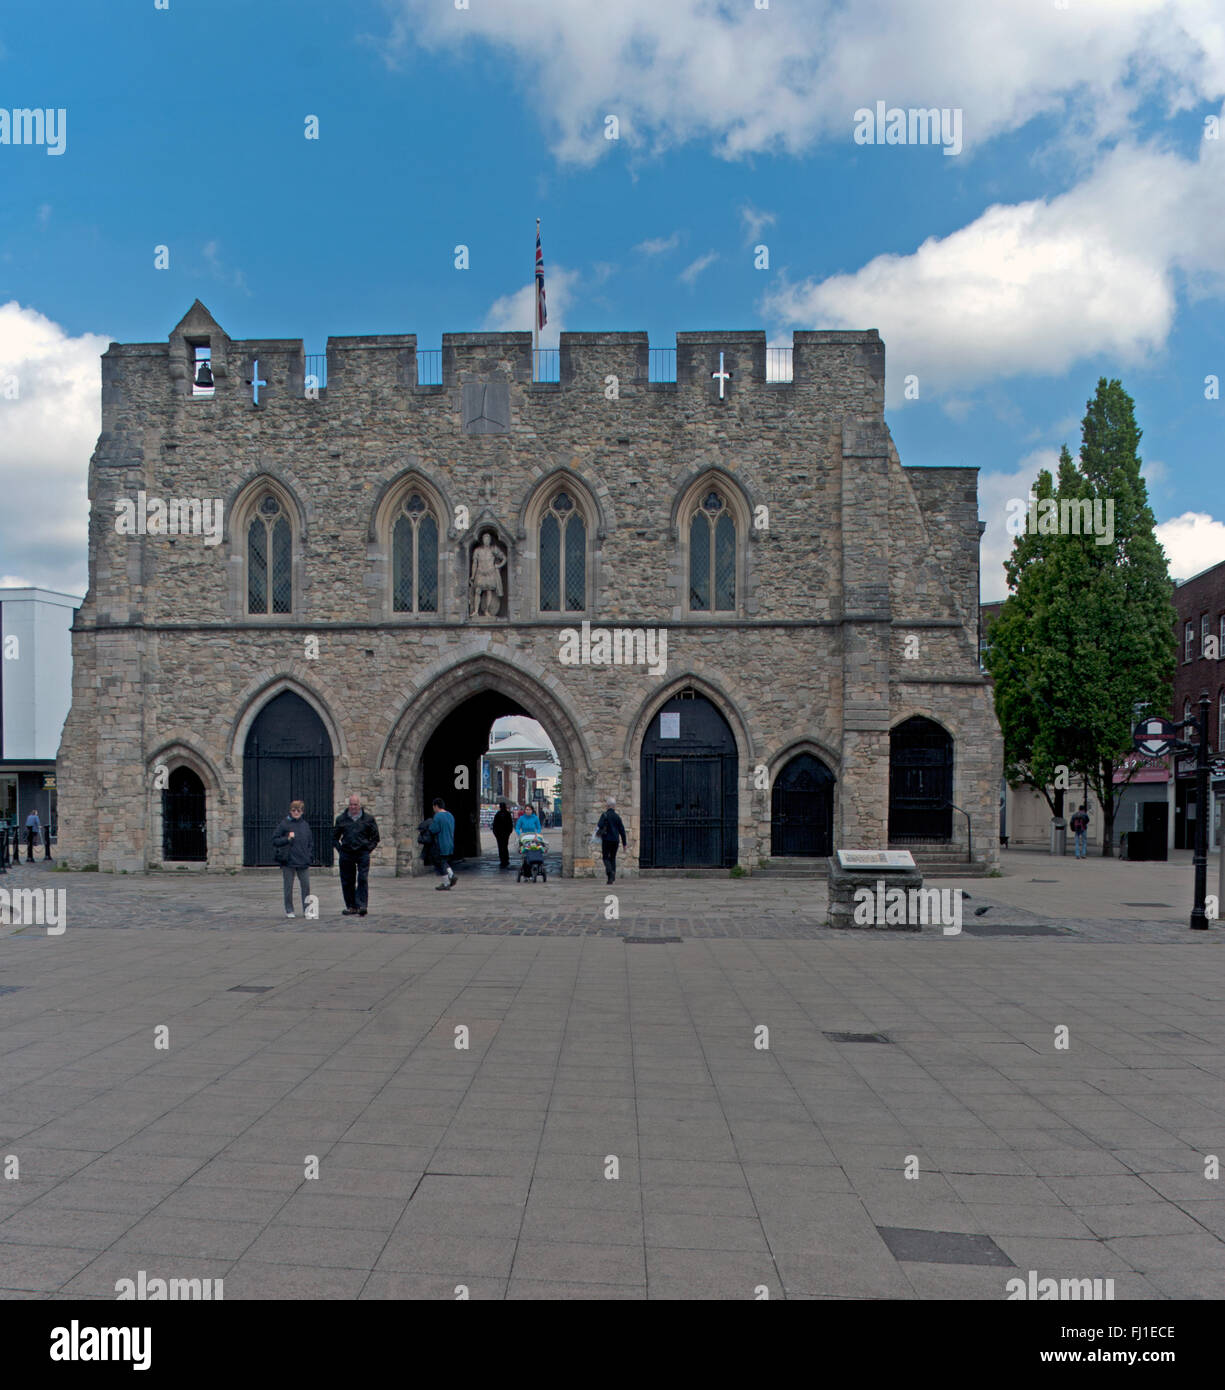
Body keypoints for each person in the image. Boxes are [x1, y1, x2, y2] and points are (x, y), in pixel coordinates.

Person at [333, 793, 380, 916]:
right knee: (348, 881)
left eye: (355, 804)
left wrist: (367, 849)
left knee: (362, 878)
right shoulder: (341, 819)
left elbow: (375, 838)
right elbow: (334, 837)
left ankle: (362, 905)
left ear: (359, 805)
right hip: (347, 853)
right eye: (351, 805)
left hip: (362, 853)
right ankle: (351, 906)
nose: (353, 807)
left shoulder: (368, 819)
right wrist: (341, 850)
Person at [272, 800, 313, 918]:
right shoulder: (284, 824)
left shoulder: (305, 825)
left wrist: (309, 855)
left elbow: (310, 842)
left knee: (306, 886)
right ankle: (289, 909)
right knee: (288, 887)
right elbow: (275, 840)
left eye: (298, 810)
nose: (296, 812)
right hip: (288, 861)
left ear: (302, 812)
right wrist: (287, 839)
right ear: (290, 811)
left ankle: (307, 909)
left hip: (303, 860)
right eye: (294, 810)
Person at [596, 796, 627, 884]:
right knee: (612, 857)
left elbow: (599, 825)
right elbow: (622, 830)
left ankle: (609, 871)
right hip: (615, 840)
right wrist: (624, 843)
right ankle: (611, 878)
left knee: (605, 857)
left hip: (606, 839)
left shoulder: (604, 815)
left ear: (607, 805)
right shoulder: (617, 817)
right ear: (614, 806)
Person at [429, 797, 456, 890]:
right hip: (450, 842)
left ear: (436, 806)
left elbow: (434, 829)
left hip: (441, 843)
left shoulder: (438, 816)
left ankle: (446, 883)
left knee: (440, 863)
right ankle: (451, 875)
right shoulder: (450, 815)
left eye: (433, 807)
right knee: (444, 861)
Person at [492, 801, 514, 870]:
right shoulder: (508, 814)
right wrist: (509, 832)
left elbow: (494, 824)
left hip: (499, 833)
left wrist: (495, 832)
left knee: (500, 847)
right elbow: (510, 823)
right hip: (505, 833)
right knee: (505, 846)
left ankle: (502, 860)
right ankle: (506, 859)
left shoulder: (498, 814)